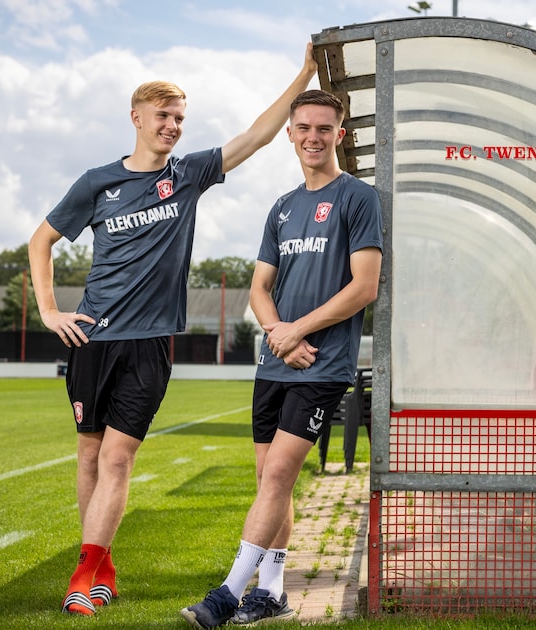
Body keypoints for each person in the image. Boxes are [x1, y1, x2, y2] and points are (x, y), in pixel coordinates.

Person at [28, 45, 317, 617]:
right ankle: (102, 567)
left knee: (117, 458)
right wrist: (49, 310)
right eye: (163, 116)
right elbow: (41, 241)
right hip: (91, 338)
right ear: (136, 118)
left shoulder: (189, 174)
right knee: (89, 457)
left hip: (148, 345)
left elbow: (258, 134)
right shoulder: (97, 183)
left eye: (180, 118)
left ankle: (84, 575)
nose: (172, 127)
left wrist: (304, 73)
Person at [180, 89, 382, 628]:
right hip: (275, 364)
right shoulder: (282, 207)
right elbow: (259, 288)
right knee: (271, 481)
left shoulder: (359, 199)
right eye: (303, 128)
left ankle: (227, 592)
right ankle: (271, 593)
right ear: (290, 135)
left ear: (339, 134)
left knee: (276, 481)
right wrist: (277, 333)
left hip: (322, 364)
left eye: (323, 128)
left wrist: (298, 332)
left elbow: (364, 288)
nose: (312, 137)